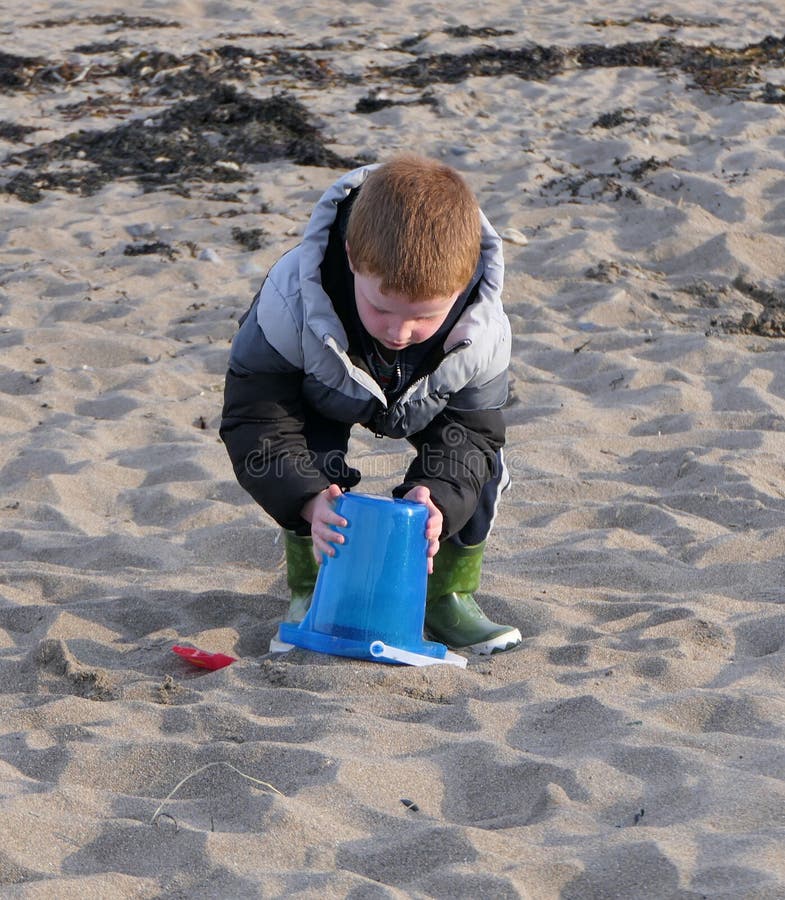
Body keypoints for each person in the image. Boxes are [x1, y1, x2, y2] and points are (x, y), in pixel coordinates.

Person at [220, 154, 521, 654]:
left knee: (481, 468)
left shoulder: (484, 330)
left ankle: (447, 597)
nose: (398, 332)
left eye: (423, 317)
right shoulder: (290, 299)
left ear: (462, 283)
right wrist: (308, 499)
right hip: (321, 392)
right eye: (381, 307)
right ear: (353, 257)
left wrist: (438, 498)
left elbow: (475, 432)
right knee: (307, 465)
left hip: (431, 401)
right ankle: (311, 589)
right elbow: (256, 416)